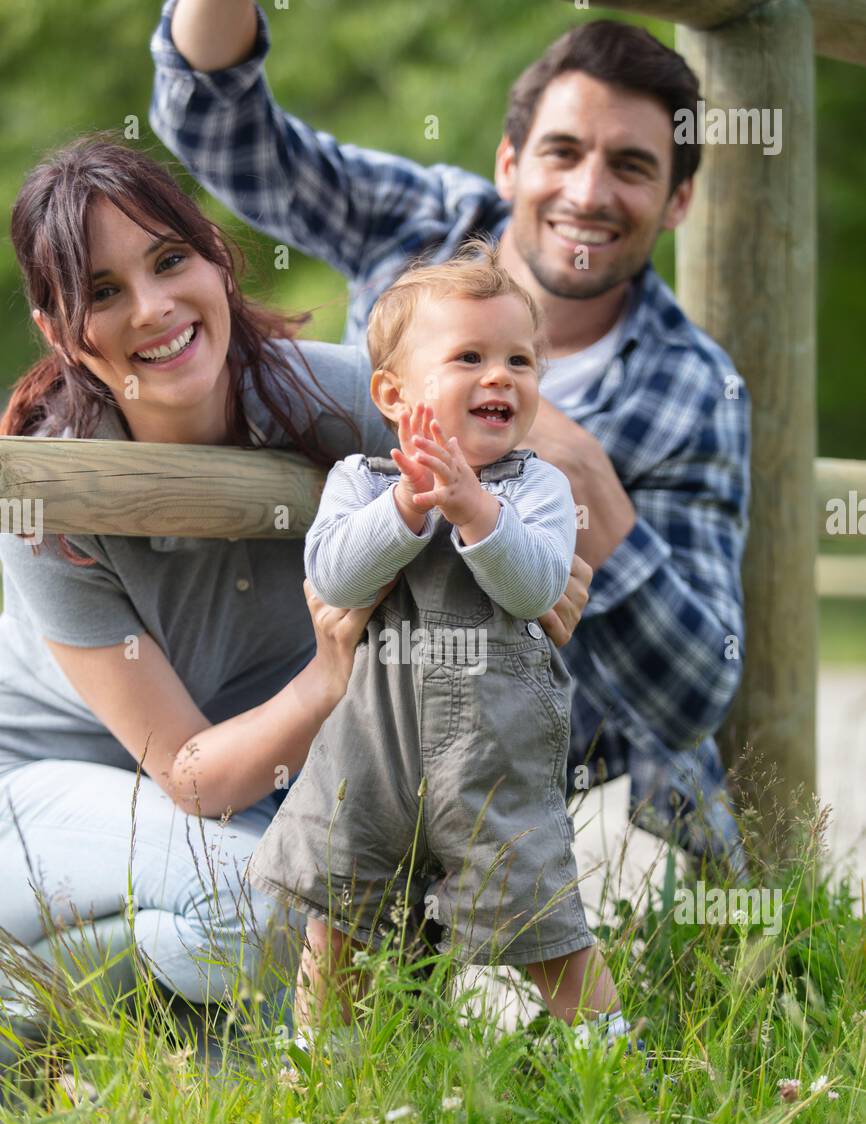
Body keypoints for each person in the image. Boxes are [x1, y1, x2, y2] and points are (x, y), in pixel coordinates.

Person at [0, 138, 587, 1030]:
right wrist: (327, 678)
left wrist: (550, 566)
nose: (155, 309)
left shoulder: (343, 394)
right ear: (57, 332)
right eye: (105, 292)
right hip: (48, 784)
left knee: (356, 915)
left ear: (216, 258)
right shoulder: (47, 487)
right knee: (275, 908)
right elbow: (194, 781)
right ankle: (28, 1009)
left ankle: (187, 1027)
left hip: (247, 799)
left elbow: (538, 439)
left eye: (169, 260)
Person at [151, 5, 751, 870]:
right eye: (562, 151)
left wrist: (594, 494)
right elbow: (223, 128)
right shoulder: (420, 225)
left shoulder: (694, 389)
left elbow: (696, 694)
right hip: (331, 706)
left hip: (522, 771)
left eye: (631, 166)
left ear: (678, 199)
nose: (587, 192)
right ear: (510, 162)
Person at [249, 241, 631, 1049]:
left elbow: (533, 590)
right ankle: (323, 1065)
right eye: (470, 357)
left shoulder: (537, 489)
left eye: (520, 360)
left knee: (540, 912)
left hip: (493, 757)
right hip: (368, 750)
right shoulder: (360, 482)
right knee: (338, 917)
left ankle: (612, 1058)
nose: (502, 377)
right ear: (393, 392)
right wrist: (408, 510)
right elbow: (337, 578)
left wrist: (473, 511)